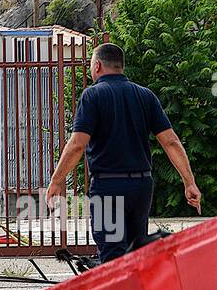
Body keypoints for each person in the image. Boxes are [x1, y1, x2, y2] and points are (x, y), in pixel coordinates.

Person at [47, 42, 201, 264]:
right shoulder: (145, 95)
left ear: (97, 65)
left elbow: (77, 145)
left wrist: (56, 180)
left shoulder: (93, 96)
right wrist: (189, 182)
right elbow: (171, 142)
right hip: (141, 187)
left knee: (112, 258)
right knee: (136, 255)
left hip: (108, 189)